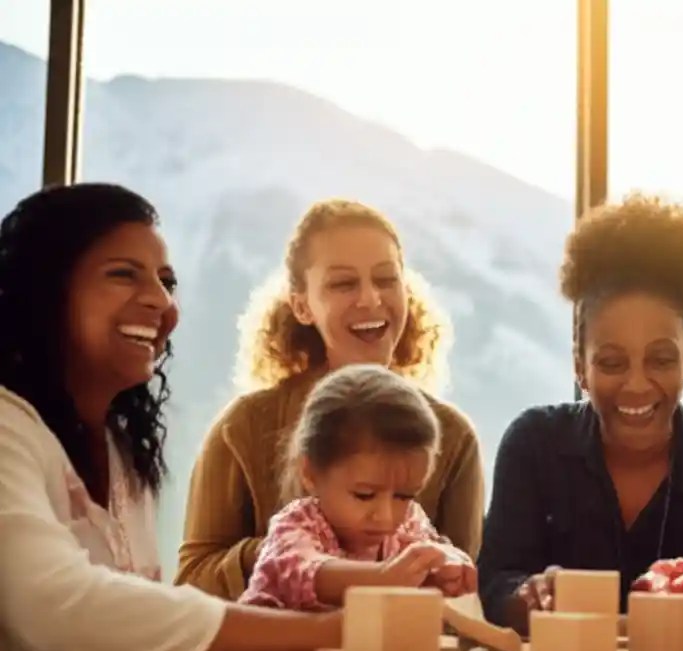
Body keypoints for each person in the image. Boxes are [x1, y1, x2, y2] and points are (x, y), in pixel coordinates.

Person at [0, 185, 340, 651]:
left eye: (166, 281)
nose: (160, 301)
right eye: (122, 274)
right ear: (44, 290)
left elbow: (135, 634)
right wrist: (320, 632)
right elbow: (59, 609)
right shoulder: (5, 430)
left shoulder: (121, 452)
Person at [177, 199, 484, 600]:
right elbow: (190, 581)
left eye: (386, 280)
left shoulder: (454, 437)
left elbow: (460, 591)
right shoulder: (242, 428)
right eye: (344, 284)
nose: (371, 300)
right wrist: (297, 548)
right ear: (302, 305)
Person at [477, 194, 683, 634]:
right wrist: (528, 595)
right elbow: (494, 584)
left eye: (661, 360)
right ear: (579, 367)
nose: (637, 384)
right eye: (611, 363)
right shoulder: (535, 444)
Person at [240, 364, 475, 610]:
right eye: (364, 495)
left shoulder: (410, 526)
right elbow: (303, 573)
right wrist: (385, 577)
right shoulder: (294, 526)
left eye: (404, 496)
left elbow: (434, 562)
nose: (385, 517)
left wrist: (445, 570)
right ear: (310, 473)